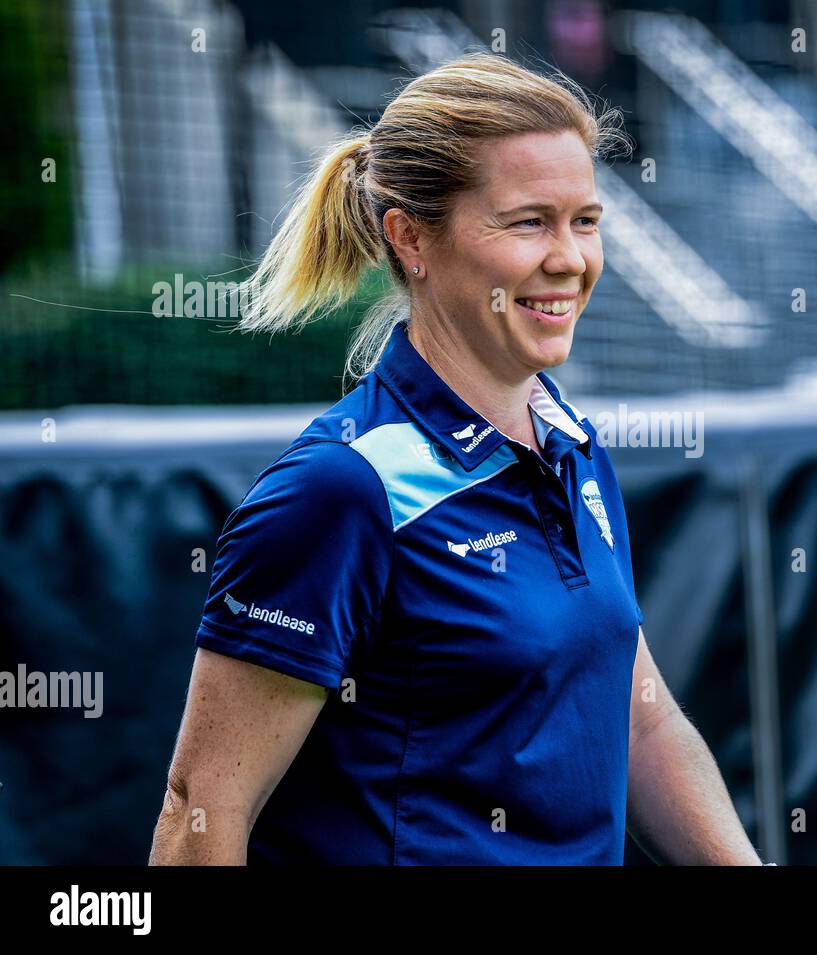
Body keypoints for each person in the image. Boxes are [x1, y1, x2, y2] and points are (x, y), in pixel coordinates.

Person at [148, 52, 766, 865]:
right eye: (527, 222)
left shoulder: (570, 443)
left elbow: (639, 716)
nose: (570, 259)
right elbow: (200, 809)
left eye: (585, 220)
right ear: (409, 238)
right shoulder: (341, 488)